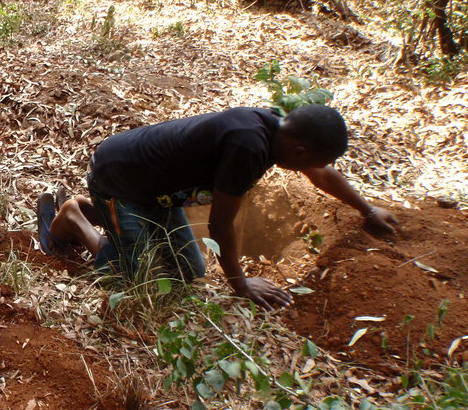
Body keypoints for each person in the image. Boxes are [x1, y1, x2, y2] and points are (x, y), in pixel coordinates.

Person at [37, 104, 398, 310]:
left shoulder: (278, 130)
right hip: (120, 178)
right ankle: (74, 217)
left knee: (188, 273)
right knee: (130, 278)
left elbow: (321, 173)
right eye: (312, 161)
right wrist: (240, 284)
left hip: (158, 192)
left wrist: (367, 211)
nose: (311, 169)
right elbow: (220, 226)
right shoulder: (249, 148)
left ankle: (94, 210)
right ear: (300, 151)